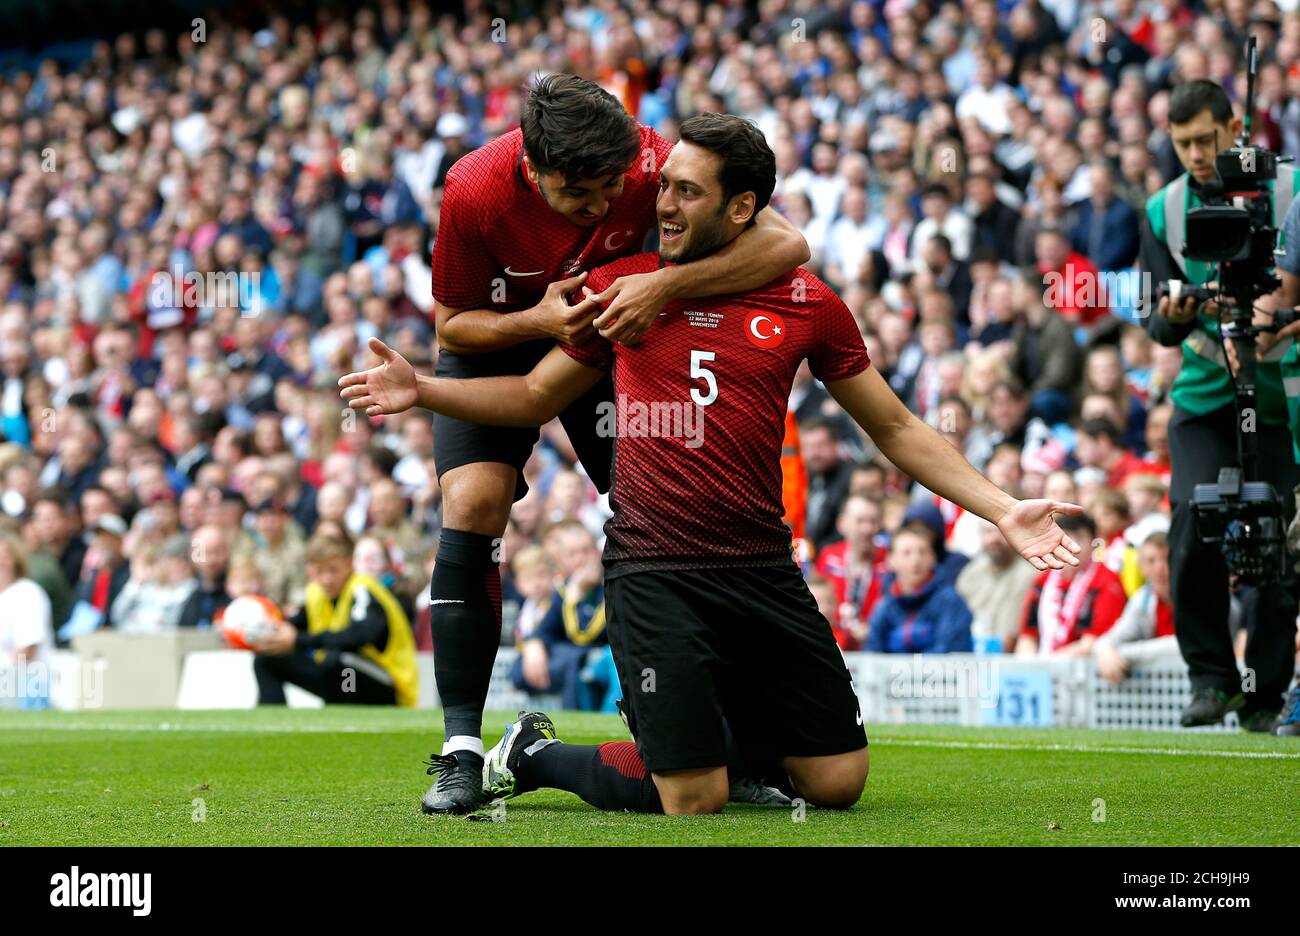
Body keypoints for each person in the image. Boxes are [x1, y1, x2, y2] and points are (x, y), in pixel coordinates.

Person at [342, 112, 1082, 815]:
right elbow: (535, 393)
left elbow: (894, 424)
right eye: (663, 184)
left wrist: (1001, 506)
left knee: (838, 782)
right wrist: (423, 390)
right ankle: (530, 754)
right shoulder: (616, 288)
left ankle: (712, 742)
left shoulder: (806, 302)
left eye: (685, 192)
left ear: (742, 211)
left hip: (762, 566)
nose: (656, 201)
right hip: (655, 570)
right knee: (695, 801)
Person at [421, 74, 809, 813]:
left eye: (614, 187)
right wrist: (536, 321)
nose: (605, 207)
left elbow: (788, 244)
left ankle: (685, 727)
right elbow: (452, 326)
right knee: (473, 501)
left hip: (609, 330)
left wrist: (661, 288)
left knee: (657, 509)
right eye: (581, 196)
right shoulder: (472, 189)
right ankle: (463, 749)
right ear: (532, 171)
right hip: (510, 335)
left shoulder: (654, 159)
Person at [1140, 79, 1300, 731]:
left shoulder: (1291, 192)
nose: (1197, 153)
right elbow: (1155, 320)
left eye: (1207, 138)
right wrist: (1175, 316)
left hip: (1283, 402)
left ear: (1236, 128)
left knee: (1280, 543)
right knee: (1190, 518)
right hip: (1205, 396)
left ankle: (1264, 696)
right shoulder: (1162, 209)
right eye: (1183, 144)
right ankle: (1211, 679)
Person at [252, 533, 417, 707]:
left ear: (349, 564)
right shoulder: (316, 594)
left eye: (333, 570)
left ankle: (346, 715)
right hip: (339, 676)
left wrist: (298, 640)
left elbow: (360, 635)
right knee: (267, 658)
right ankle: (275, 724)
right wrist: (271, 635)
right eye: (319, 572)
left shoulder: (362, 588)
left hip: (388, 686)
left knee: (340, 659)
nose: (327, 579)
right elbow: (294, 626)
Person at [865, 523, 974, 653]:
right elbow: (872, 652)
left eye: (922, 552)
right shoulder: (885, 606)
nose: (916, 560)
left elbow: (950, 652)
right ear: (891, 560)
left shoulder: (950, 602)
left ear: (933, 558)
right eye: (907, 553)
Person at [1094, 531, 1179, 683]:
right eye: (1151, 561)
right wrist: (1105, 651)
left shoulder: (1197, 595)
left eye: (1166, 559)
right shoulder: (1142, 600)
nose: (1160, 568)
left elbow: (1184, 646)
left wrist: (1125, 653)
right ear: (1142, 568)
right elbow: (1108, 640)